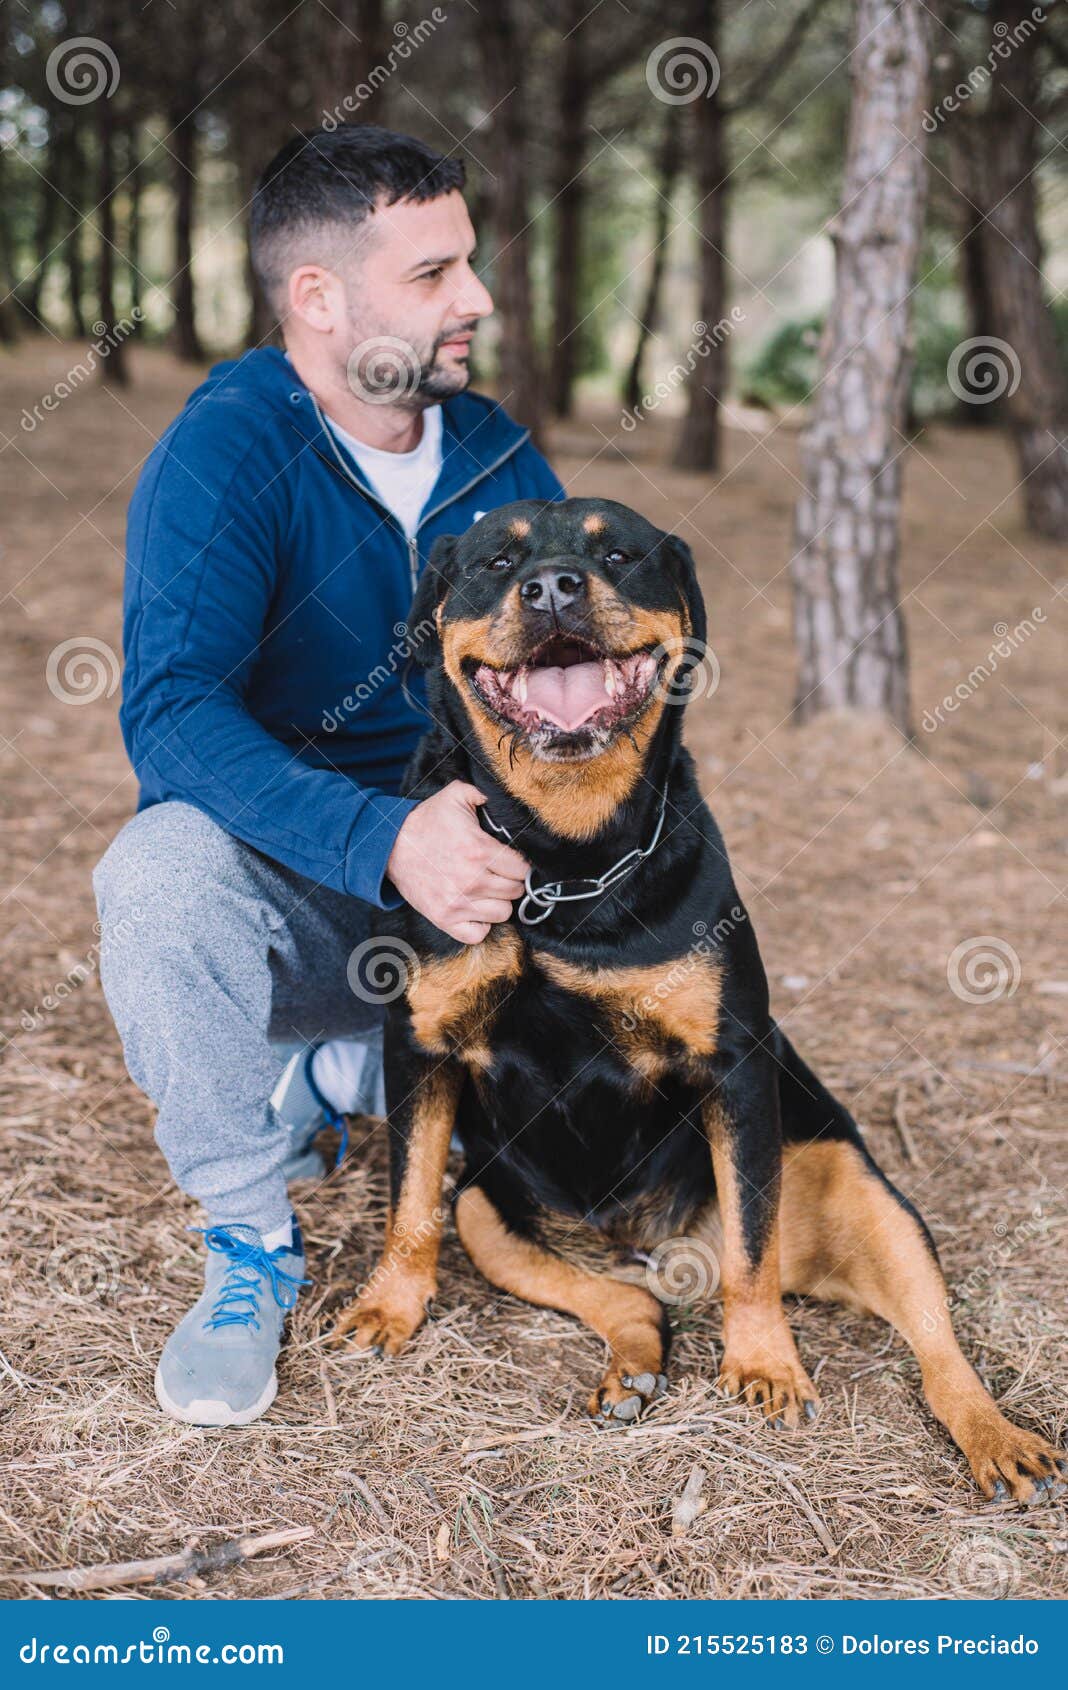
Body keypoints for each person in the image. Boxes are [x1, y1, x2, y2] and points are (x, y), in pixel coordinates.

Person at [92, 124, 562, 1427]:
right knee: (157, 874)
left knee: (601, 1151)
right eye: (434, 273)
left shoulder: (499, 458)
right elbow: (172, 714)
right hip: (310, 892)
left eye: (469, 263)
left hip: (483, 892)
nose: (477, 298)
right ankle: (250, 1238)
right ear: (319, 297)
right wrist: (385, 836)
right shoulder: (227, 452)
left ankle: (344, 1078)